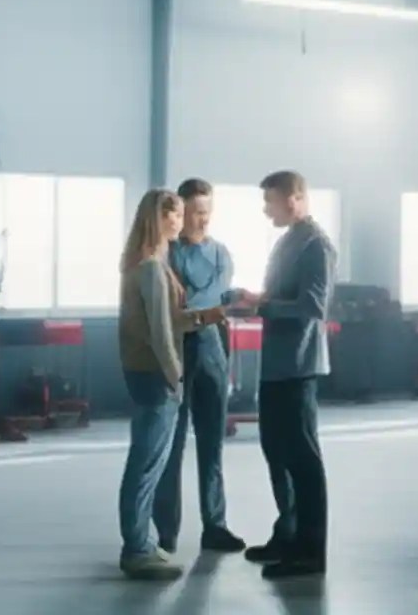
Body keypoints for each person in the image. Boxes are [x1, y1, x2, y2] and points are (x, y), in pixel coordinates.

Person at [116, 188, 227, 580]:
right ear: (159, 217)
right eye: (176, 213)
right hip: (154, 375)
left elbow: (172, 319)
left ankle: (143, 543)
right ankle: (137, 548)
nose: (181, 221)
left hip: (145, 373)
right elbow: (161, 334)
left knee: (148, 461)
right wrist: (175, 377)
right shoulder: (150, 267)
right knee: (146, 465)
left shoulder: (150, 265)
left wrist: (208, 315)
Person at [237, 170, 337, 579]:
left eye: (271, 201)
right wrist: (254, 299)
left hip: (298, 367)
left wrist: (262, 307)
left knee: (303, 460)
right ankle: (288, 533)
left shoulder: (316, 246)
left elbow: (313, 308)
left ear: (294, 199)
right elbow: (279, 297)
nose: (266, 210)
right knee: (276, 453)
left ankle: (310, 551)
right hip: (276, 365)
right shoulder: (285, 241)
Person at [154, 178, 247, 555]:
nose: (202, 221)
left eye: (207, 213)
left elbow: (222, 301)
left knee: (212, 444)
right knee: (170, 446)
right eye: (195, 214)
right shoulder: (167, 255)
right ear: (181, 213)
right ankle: (166, 533)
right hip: (177, 348)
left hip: (212, 347)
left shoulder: (222, 255)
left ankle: (215, 525)